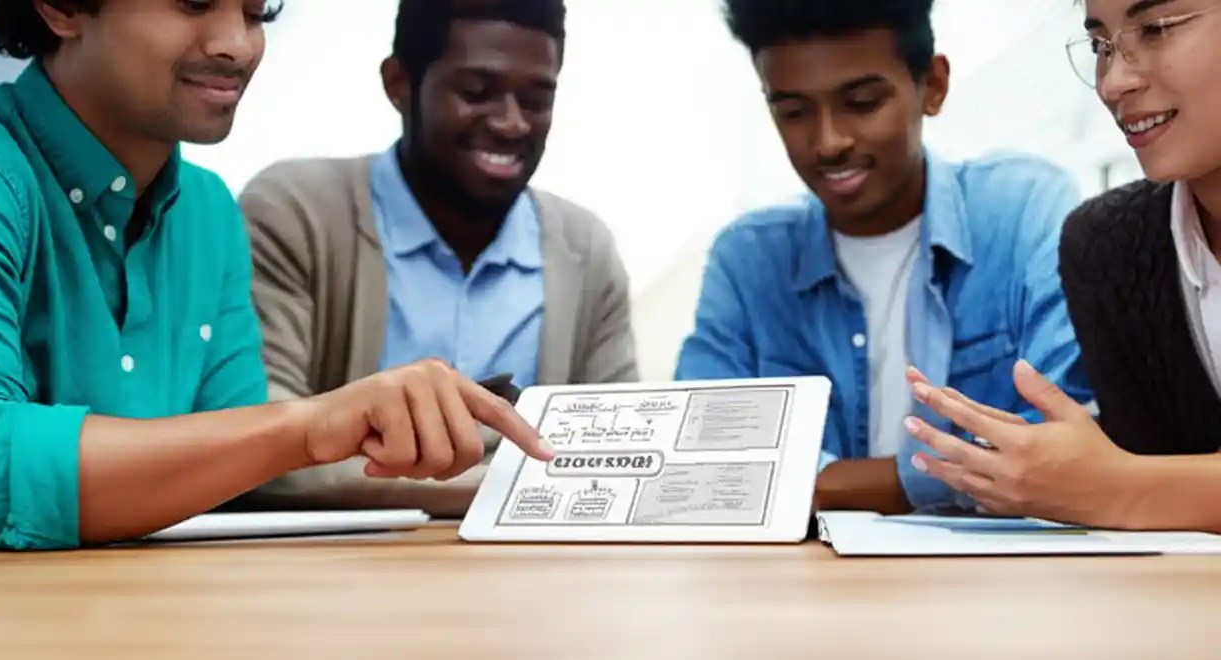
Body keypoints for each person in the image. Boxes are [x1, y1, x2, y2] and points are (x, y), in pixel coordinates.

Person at [0, 0, 551, 551]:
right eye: (195, 3)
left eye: (258, 11)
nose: (237, 43)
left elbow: (239, 478)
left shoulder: (208, 213)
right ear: (63, 7)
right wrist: (312, 425)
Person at [674, 0, 1093, 515]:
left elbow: (1067, 447)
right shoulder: (747, 261)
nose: (829, 142)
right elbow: (701, 469)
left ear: (933, 86)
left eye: (862, 102)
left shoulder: (1023, 208)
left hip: (999, 586)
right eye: (794, 112)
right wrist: (959, 472)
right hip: (799, 587)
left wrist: (814, 486)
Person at [235, 0, 638, 517]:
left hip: (526, 579)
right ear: (398, 83)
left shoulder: (585, 251)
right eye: (476, 93)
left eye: (537, 100)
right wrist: (509, 486)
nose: (512, 124)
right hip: (335, 577)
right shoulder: (296, 213)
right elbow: (258, 443)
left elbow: (616, 459)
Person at [905, 0, 1221, 532]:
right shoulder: (1107, 248)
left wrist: (1115, 488)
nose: (1113, 82)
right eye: (1101, 45)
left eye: (1158, 28)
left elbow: (1125, 489)